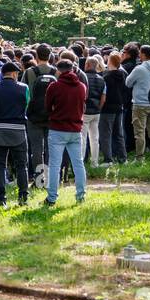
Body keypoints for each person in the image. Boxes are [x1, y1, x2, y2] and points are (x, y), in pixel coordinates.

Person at [43, 58, 87, 205]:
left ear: (58, 70)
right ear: (73, 69)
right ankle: (81, 195)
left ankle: (52, 197)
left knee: (55, 165)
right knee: (78, 164)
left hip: (57, 129)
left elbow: (48, 107)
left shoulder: (54, 86)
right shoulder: (81, 87)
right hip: (75, 128)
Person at [0, 61, 29, 206]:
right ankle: (23, 197)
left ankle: (1, 198)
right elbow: (26, 104)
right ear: (15, 74)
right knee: (21, 165)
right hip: (18, 129)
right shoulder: (24, 88)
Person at [22, 44, 58, 178]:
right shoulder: (56, 72)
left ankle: (39, 177)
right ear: (50, 56)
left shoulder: (29, 72)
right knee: (51, 148)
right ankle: (51, 176)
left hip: (33, 115)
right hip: (52, 115)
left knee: (36, 149)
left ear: (36, 56)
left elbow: (24, 93)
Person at [125, 45, 150, 158]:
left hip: (139, 103)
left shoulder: (139, 69)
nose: (139, 55)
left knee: (139, 132)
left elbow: (128, 83)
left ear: (144, 54)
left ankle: (140, 156)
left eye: (140, 53)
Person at [81, 54, 105, 167]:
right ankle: (94, 162)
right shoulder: (102, 79)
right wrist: (98, 108)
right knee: (95, 138)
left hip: (85, 111)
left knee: (83, 138)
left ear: (88, 65)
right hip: (96, 112)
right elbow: (103, 97)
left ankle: (80, 162)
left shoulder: (82, 78)